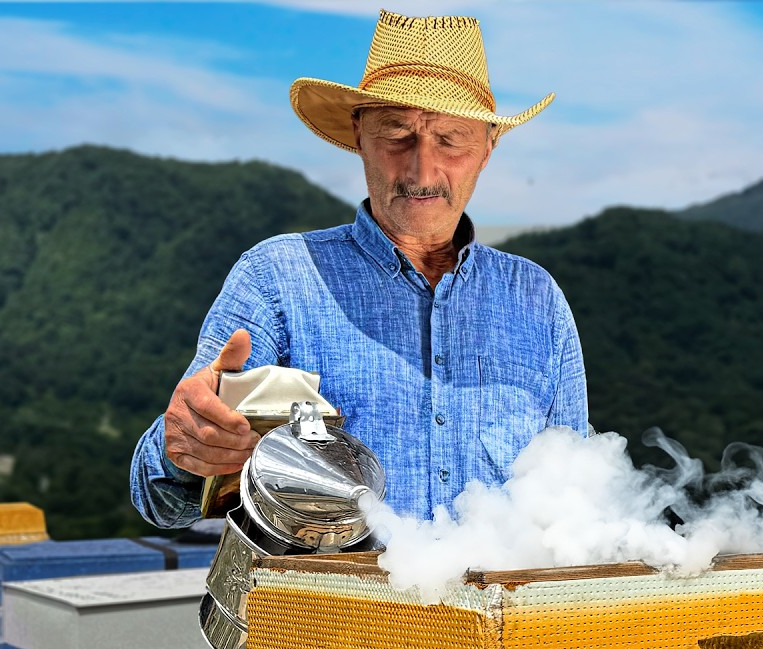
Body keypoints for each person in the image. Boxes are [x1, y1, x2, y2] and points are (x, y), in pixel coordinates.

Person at [130, 10, 589, 529]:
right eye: (397, 133)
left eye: (450, 139)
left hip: (501, 610)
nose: (422, 171)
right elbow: (158, 497)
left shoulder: (537, 298)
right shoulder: (278, 277)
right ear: (359, 134)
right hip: (328, 611)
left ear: (488, 147)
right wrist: (188, 447)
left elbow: (577, 491)